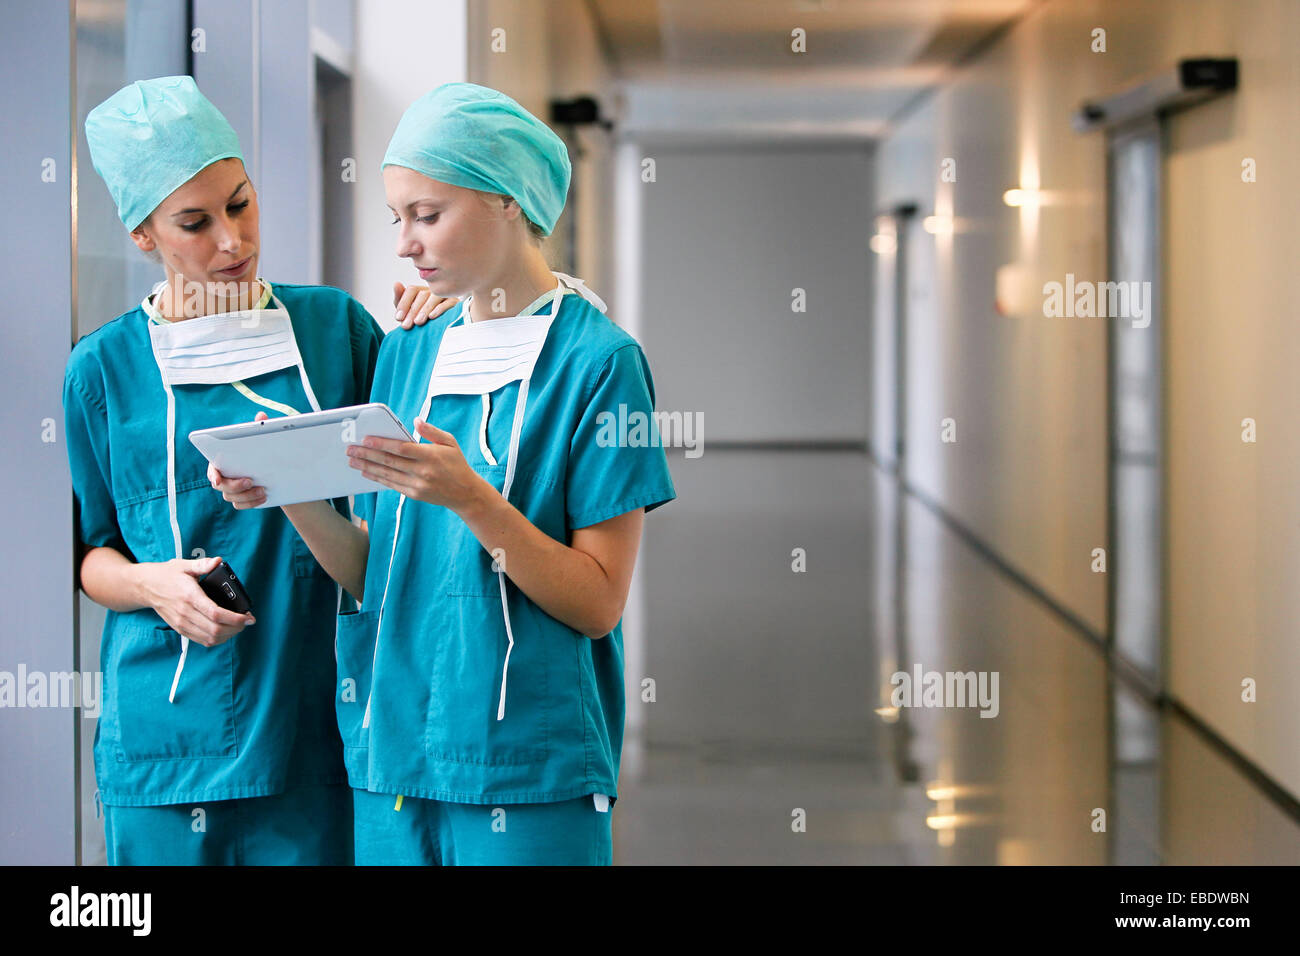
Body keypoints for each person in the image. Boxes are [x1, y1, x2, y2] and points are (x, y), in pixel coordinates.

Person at [212, 82, 677, 865]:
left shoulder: (600, 365)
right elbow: (379, 574)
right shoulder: (407, 353)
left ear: (507, 203)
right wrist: (287, 493)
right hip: (396, 757)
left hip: (529, 767)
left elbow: (597, 602)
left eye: (428, 215)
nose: (405, 244)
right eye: (398, 218)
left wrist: (471, 499)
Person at [64, 75, 439, 864]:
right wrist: (152, 585)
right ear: (142, 234)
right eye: (194, 223)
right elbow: (92, 553)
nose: (232, 242)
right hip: (169, 740)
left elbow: (409, 519)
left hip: (322, 729)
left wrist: (439, 326)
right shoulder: (102, 371)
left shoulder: (336, 328)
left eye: (240, 203)